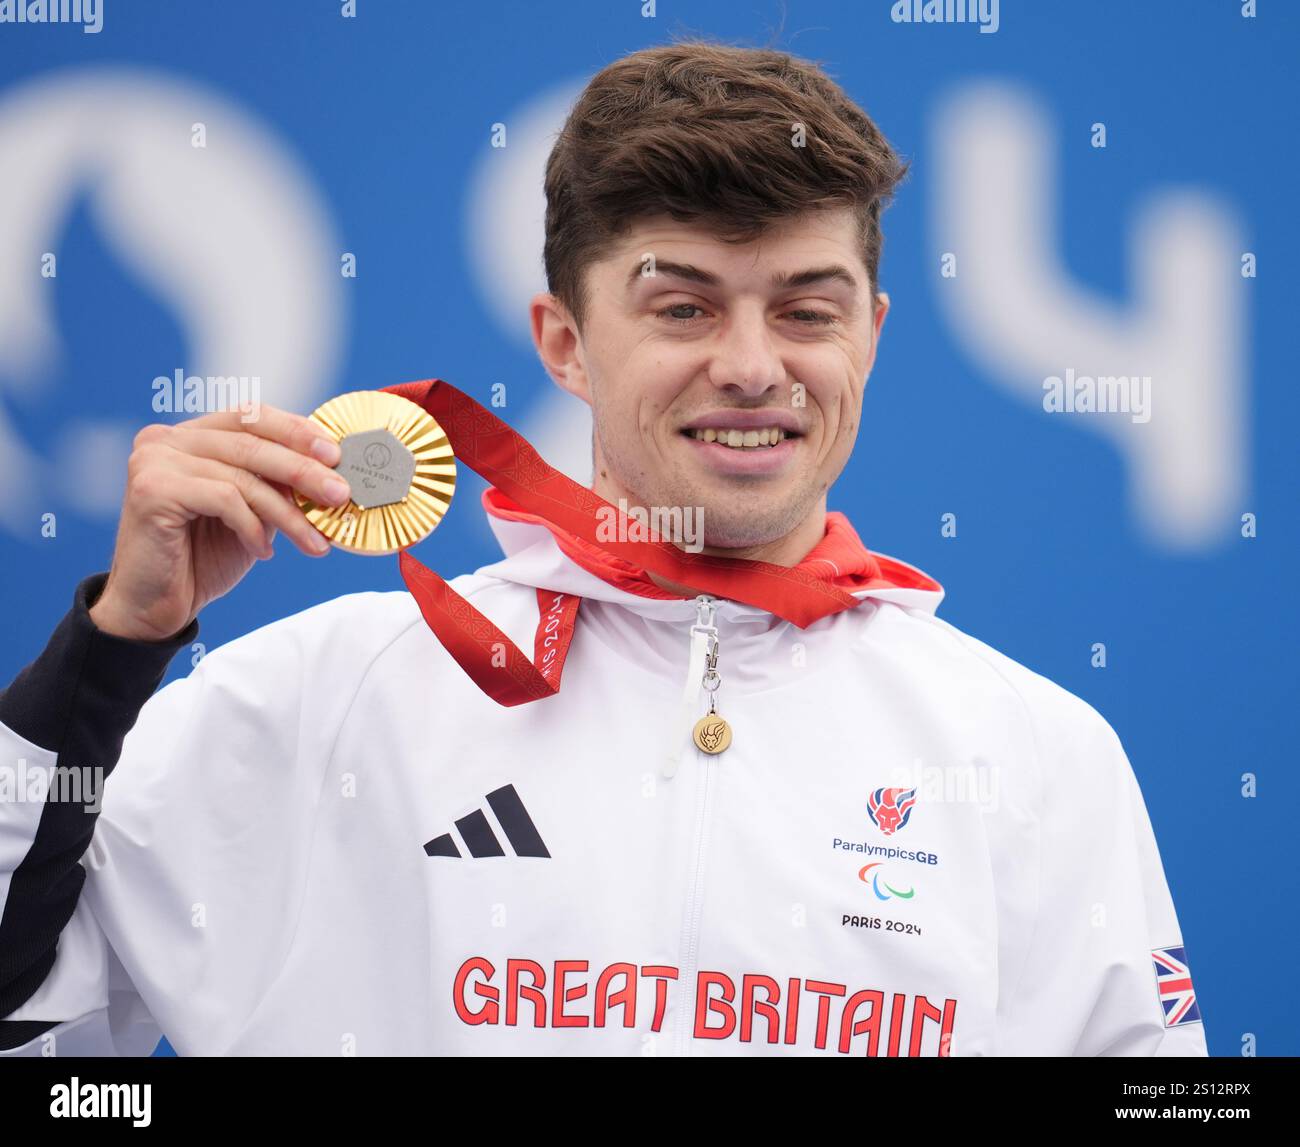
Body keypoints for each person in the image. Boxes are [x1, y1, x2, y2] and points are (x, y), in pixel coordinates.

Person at [0, 39, 1205, 1057]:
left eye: (806, 308)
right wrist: (114, 649)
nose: (750, 364)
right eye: (681, 305)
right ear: (566, 344)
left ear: (870, 336)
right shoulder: (311, 702)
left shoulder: (1034, 758)